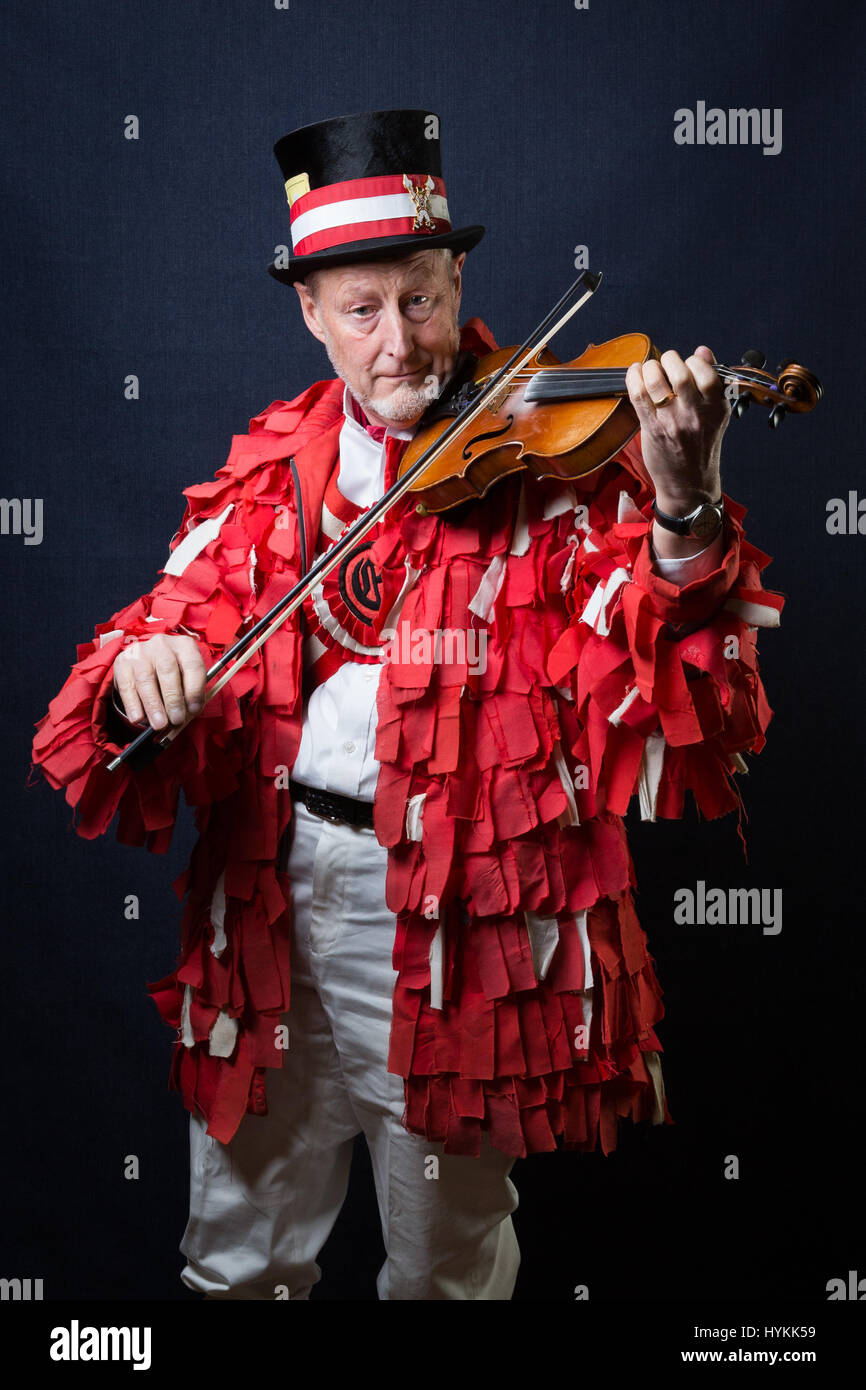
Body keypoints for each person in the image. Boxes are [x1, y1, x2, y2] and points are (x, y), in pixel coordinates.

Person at [30, 109, 783, 1301]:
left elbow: (705, 708)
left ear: (457, 278)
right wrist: (139, 675)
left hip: (452, 928)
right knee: (237, 1258)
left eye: (420, 300)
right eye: (362, 310)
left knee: (442, 1272)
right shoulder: (274, 464)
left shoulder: (559, 474)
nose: (401, 349)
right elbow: (148, 640)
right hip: (269, 904)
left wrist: (684, 507)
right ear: (309, 311)